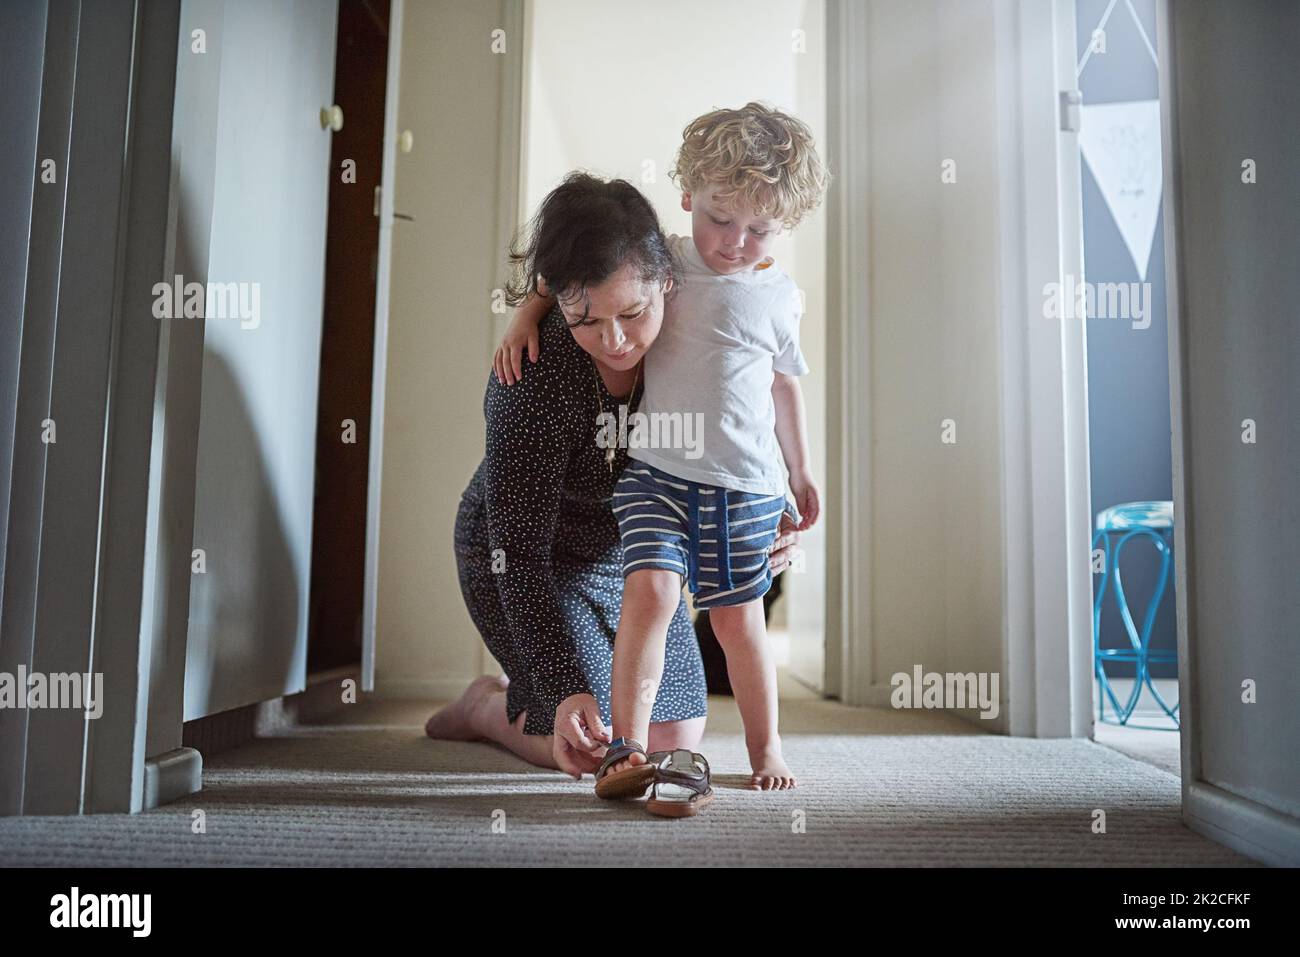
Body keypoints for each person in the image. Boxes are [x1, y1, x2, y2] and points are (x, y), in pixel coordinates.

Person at [426, 171, 804, 783]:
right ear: (560, 300)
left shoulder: (692, 333)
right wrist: (561, 686)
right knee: (593, 732)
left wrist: (775, 509)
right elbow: (515, 552)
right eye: (587, 321)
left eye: (634, 312)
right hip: (523, 556)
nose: (617, 340)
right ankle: (486, 709)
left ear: (668, 283)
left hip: (629, 557)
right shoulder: (532, 378)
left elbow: (751, 418)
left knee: (675, 731)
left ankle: (531, 698)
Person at [493, 103, 829, 791]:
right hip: (593, 520)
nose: (734, 243)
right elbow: (577, 269)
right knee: (614, 671)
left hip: (701, 504)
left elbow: (780, 388)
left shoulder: (750, 290)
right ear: (688, 200)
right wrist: (528, 307)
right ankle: (560, 728)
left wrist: (794, 480)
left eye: (758, 228)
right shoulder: (644, 276)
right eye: (719, 218)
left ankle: (764, 750)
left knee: (711, 673)